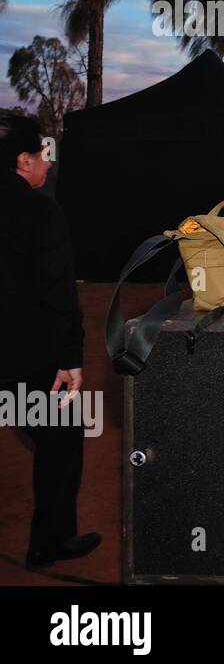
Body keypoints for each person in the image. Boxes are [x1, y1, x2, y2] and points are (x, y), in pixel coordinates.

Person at [0, 113, 101, 569]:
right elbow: (57, 292)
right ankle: (49, 542)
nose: (49, 163)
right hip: (30, 356)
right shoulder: (42, 210)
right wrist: (70, 358)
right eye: (43, 154)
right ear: (23, 161)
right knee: (61, 440)